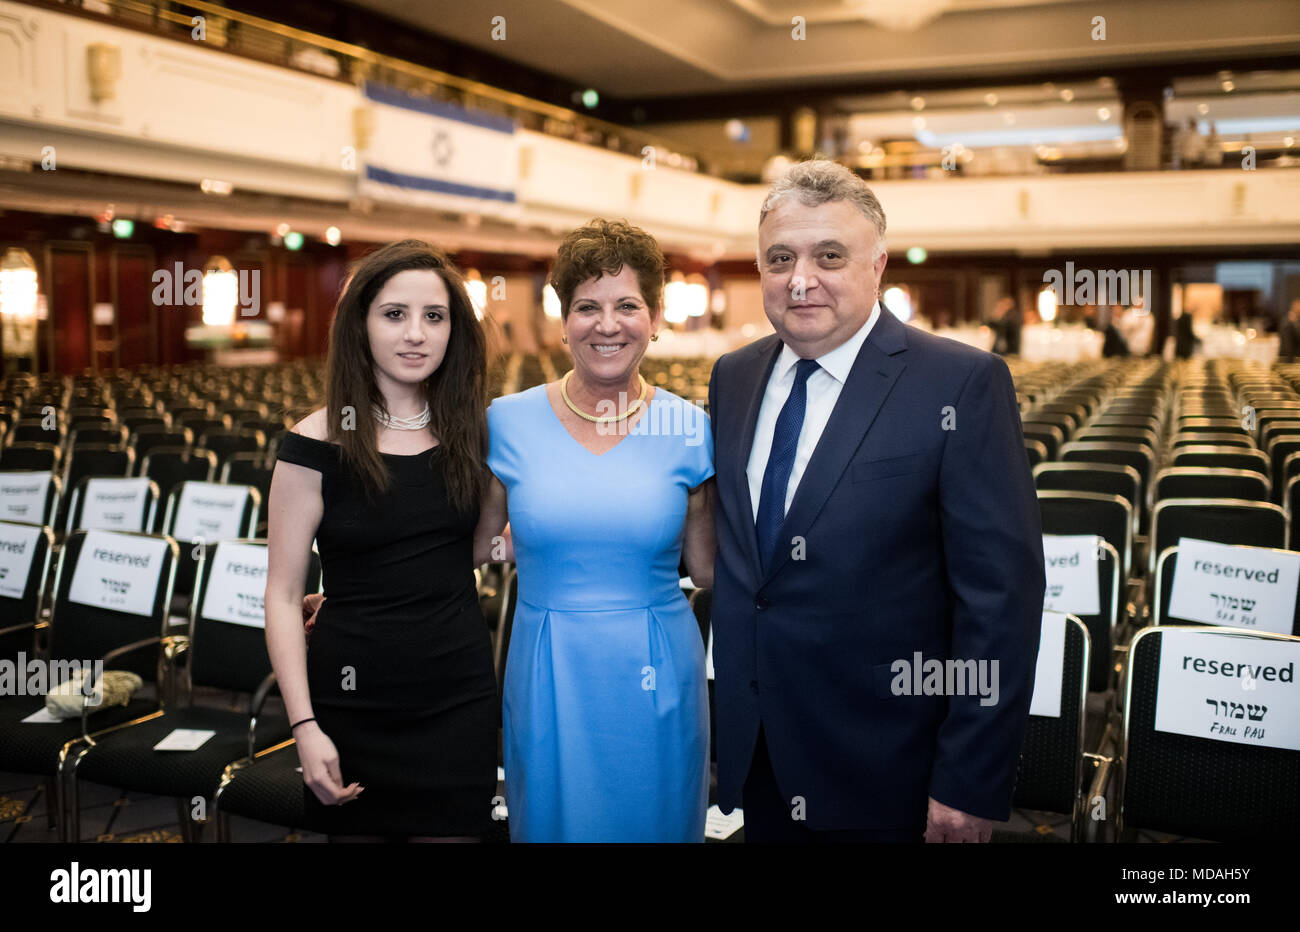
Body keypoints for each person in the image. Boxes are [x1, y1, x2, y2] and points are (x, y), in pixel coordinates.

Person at [708, 160, 1044, 843]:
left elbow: (999, 601)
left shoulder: (960, 383)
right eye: (780, 259)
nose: (800, 279)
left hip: (892, 769)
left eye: (829, 256)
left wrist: (969, 778)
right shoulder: (734, 377)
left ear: (878, 266)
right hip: (761, 753)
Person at [474, 219, 715, 842]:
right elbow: (465, 551)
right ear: (563, 321)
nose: (607, 325)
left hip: (658, 668)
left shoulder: (691, 428)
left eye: (627, 305)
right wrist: (357, 594)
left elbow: (713, 570)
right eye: (587, 307)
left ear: (656, 316)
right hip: (548, 668)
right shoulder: (508, 421)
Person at [265, 240, 498, 842]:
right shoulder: (313, 446)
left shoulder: (476, 434)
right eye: (394, 314)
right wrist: (305, 726)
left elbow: (469, 551)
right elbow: (283, 596)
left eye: (435, 316)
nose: (415, 333)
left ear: (454, 330)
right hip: (352, 702)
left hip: (457, 698)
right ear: (360, 324)